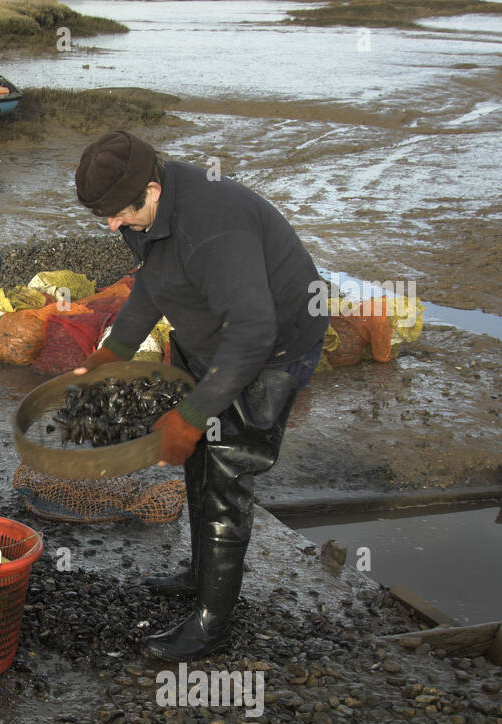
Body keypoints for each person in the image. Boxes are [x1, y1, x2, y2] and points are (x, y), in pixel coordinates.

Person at [73, 131, 328, 662]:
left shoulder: (213, 228)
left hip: (270, 348)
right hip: (205, 336)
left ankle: (212, 624)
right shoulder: (148, 207)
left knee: (227, 474)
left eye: (119, 213)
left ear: (151, 188)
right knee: (196, 460)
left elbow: (254, 332)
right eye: (104, 216)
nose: (113, 226)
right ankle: (200, 574)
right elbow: (153, 280)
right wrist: (115, 347)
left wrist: (191, 413)